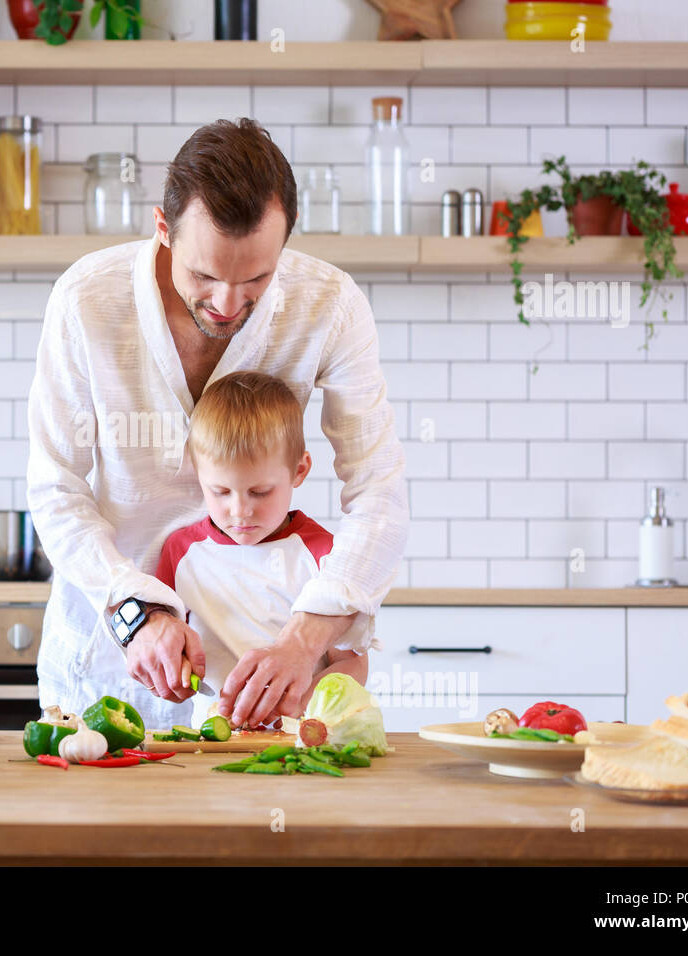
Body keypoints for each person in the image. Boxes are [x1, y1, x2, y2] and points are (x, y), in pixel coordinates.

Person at [26, 117, 407, 733]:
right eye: (204, 276)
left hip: (269, 695)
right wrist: (133, 610)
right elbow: (55, 487)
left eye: (256, 277)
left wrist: (306, 641)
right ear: (162, 229)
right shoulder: (86, 300)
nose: (228, 304)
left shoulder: (331, 306)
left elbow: (380, 494)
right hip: (104, 670)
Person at [152, 371, 378, 730]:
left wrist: (296, 702)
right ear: (197, 473)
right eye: (221, 492)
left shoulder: (325, 556)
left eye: (260, 492)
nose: (240, 511)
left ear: (299, 470)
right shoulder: (180, 553)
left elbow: (352, 663)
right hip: (211, 742)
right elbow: (165, 647)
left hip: (301, 741)